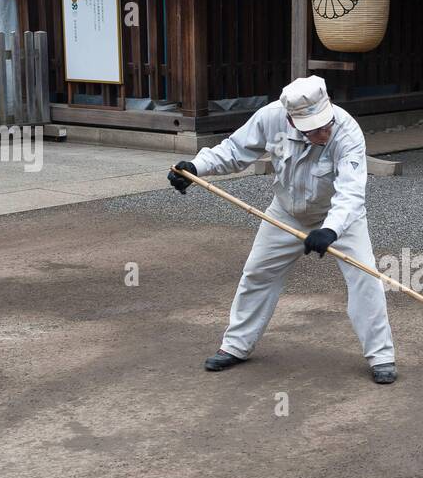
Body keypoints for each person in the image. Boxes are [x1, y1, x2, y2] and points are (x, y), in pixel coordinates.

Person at [168, 76, 397, 384]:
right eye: (314, 128)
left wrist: (330, 230)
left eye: (325, 123)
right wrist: (197, 167)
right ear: (292, 120)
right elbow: (235, 151)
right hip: (285, 212)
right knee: (257, 272)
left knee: (366, 278)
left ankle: (381, 356)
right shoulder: (270, 117)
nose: (324, 132)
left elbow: (351, 193)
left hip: (339, 215)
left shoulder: (347, 131)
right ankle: (235, 346)